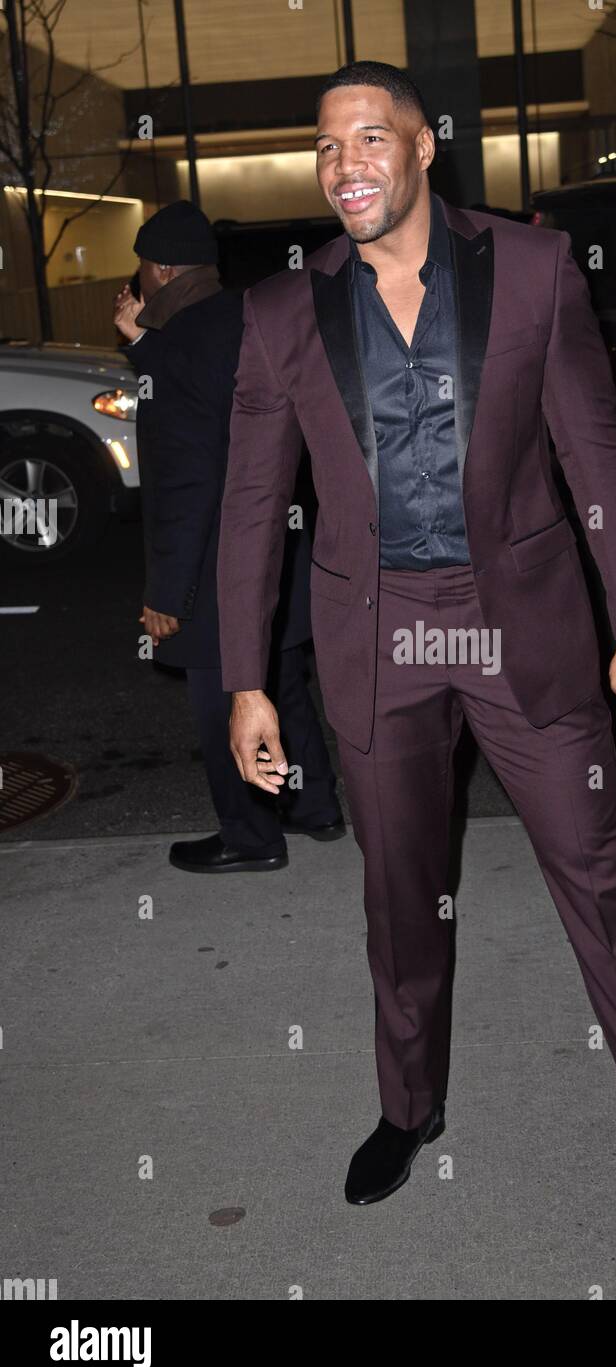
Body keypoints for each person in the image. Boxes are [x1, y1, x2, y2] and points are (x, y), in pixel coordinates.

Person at [216, 63, 616, 1238]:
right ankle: (407, 1107)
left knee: (607, 889)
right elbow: (250, 507)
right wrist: (246, 682)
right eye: (326, 148)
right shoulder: (280, 312)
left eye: (370, 138)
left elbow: (592, 456)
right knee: (400, 901)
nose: (344, 166)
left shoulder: (530, 269)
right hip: (376, 646)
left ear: (426, 149)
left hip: (521, 627)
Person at [114, 200, 343, 873]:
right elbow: (214, 402)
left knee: (224, 701)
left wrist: (168, 593)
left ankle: (249, 836)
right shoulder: (247, 316)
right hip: (283, 542)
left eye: (141, 270)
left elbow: (185, 483)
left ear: (159, 269)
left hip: (217, 566)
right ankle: (312, 804)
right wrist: (143, 343)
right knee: (280, 679)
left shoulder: (179, 345)